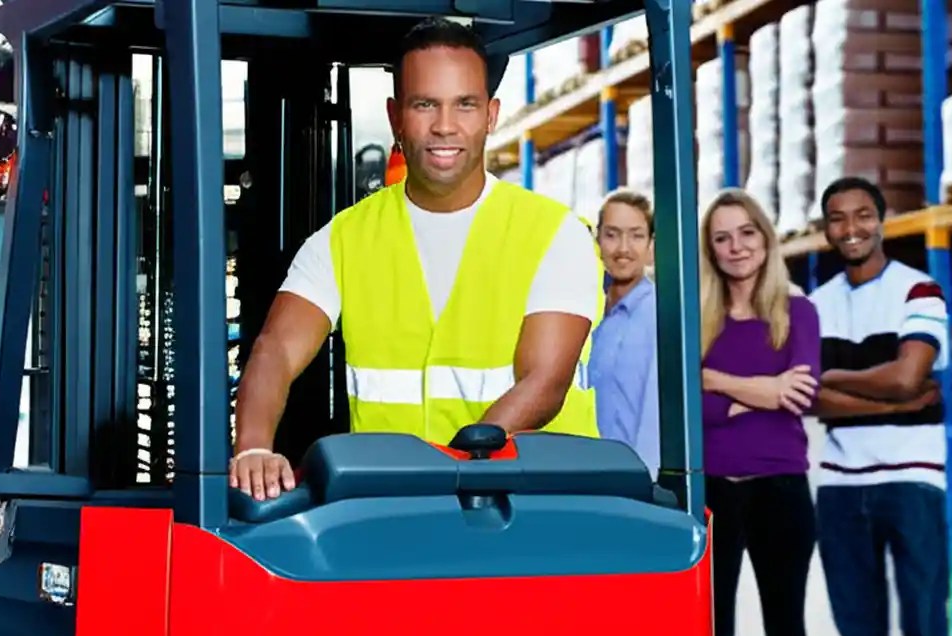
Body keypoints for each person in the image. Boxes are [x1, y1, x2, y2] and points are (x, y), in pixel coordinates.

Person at [230, 17, 603, 500]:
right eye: (425, 104)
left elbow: (544, 383)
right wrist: (254, 447)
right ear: (396, 118)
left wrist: (450, 474)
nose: (445, 126)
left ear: (490, 116)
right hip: (395, 509)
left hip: (533, 513)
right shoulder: (343, 239)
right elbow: (275, 351)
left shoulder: (556, 235)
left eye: (464, 105)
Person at [809, 176, 952, 636]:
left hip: (911, 481)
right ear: (826, 229)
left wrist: (840, 377)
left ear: (881, 219)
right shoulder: (816, 306)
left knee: (923, 629)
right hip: (842, 488)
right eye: (838, 218)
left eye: (862, 215)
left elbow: (909, 375)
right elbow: (812, 398)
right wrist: (894, 401)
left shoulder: (919, 290)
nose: (851, 229)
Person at [697, 189, 819, 636]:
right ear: (710, 249)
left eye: (746, 233)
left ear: (766, 241)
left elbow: (800, 394)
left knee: (786, 633)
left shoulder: (798, 312)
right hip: (713, 492)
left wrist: (717, 381)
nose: (736, 247)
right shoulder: (697, 319)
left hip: (781, 490)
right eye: (722, 238)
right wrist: (762, 390)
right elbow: (690, 407)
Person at [587, 189, 659, 475]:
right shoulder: (584, 312)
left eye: (636, 235)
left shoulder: (658, 313)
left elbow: (656, 414)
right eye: (612, 234)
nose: (623, 249)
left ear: (651, 246)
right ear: (597, 240)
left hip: (633, 479)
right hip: (580, 472)